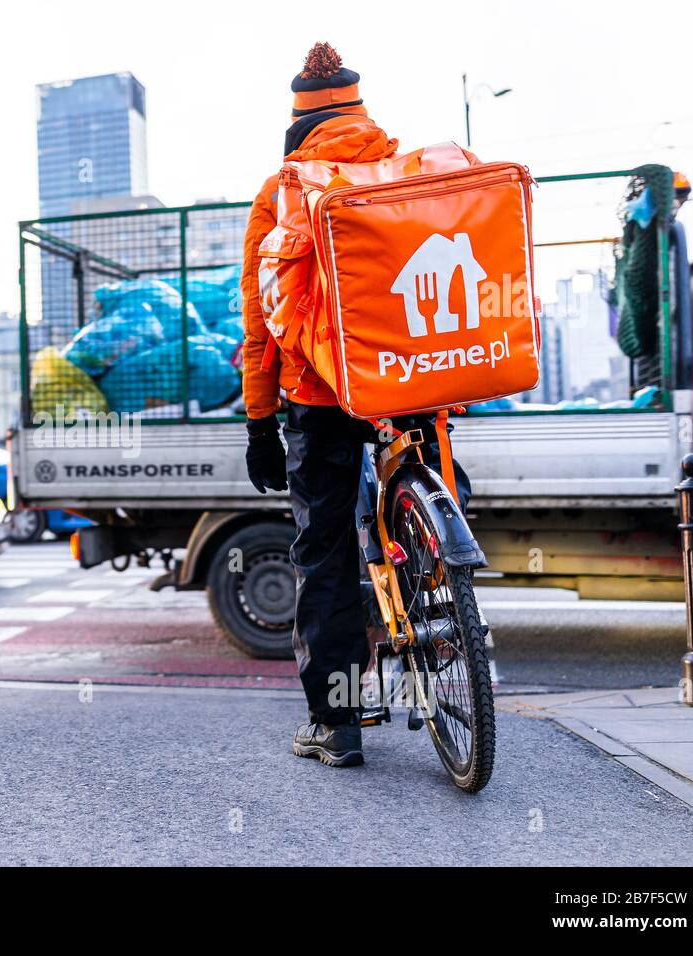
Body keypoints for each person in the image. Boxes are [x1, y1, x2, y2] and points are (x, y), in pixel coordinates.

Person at [240, 42, 471, 768]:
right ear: (360, 110)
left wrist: (258, 420)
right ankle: (441, 595)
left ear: (297, 123)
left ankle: (336, 726)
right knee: (426, 492)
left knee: (325, 553)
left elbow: (260, 320)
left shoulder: (284, 192)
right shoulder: (403, 175)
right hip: (412, 381)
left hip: (321, 394)